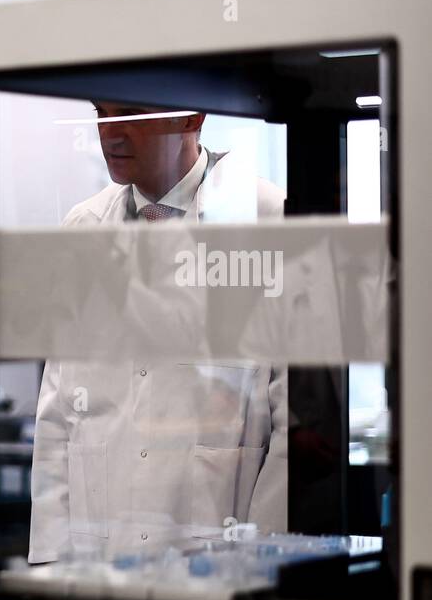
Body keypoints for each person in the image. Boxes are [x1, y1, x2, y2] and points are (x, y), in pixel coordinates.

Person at [28, 103, 288, 563]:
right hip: (99, 570)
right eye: (101, 112)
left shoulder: (267, 220)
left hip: (224, 571)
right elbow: (55, 419)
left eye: (130, 113)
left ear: (192, 118)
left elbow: (291, 428)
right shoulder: (83, 229)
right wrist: (51, 566)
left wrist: (265, 574)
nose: (110, 133)